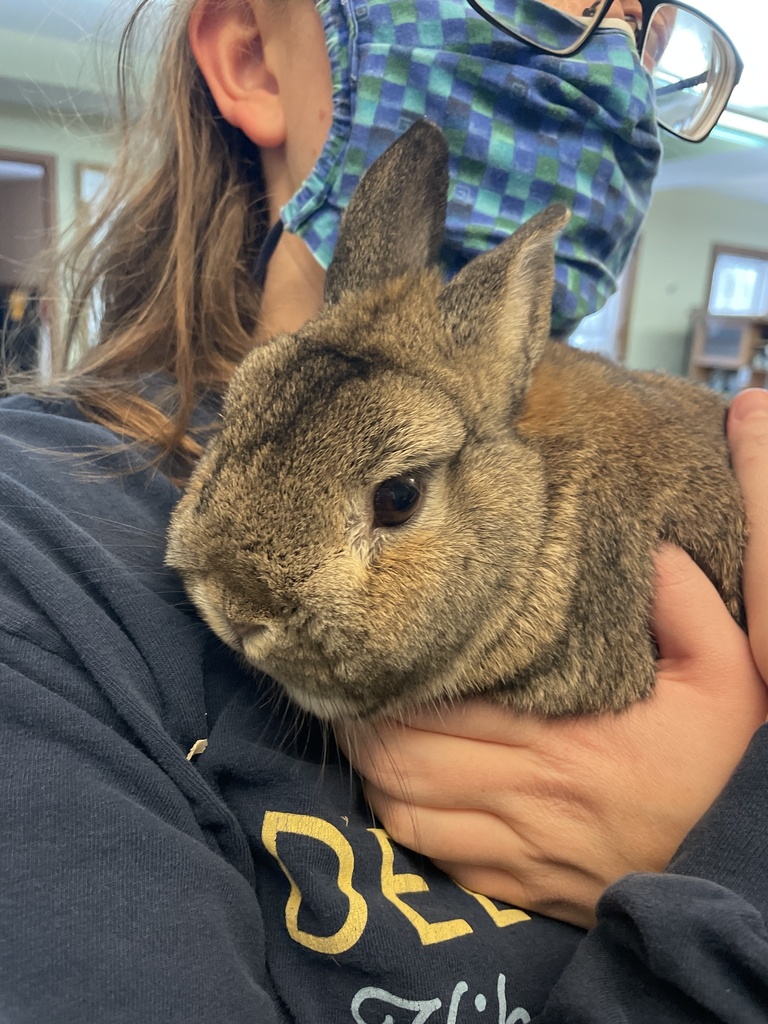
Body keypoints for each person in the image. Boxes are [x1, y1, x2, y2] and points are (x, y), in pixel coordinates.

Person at [0, 0, 766, 1021]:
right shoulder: (42, 563)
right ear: (252, 60)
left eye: (644, 24)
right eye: (539, 4)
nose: (609, 67)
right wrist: (727, 878)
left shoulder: (704, 462)